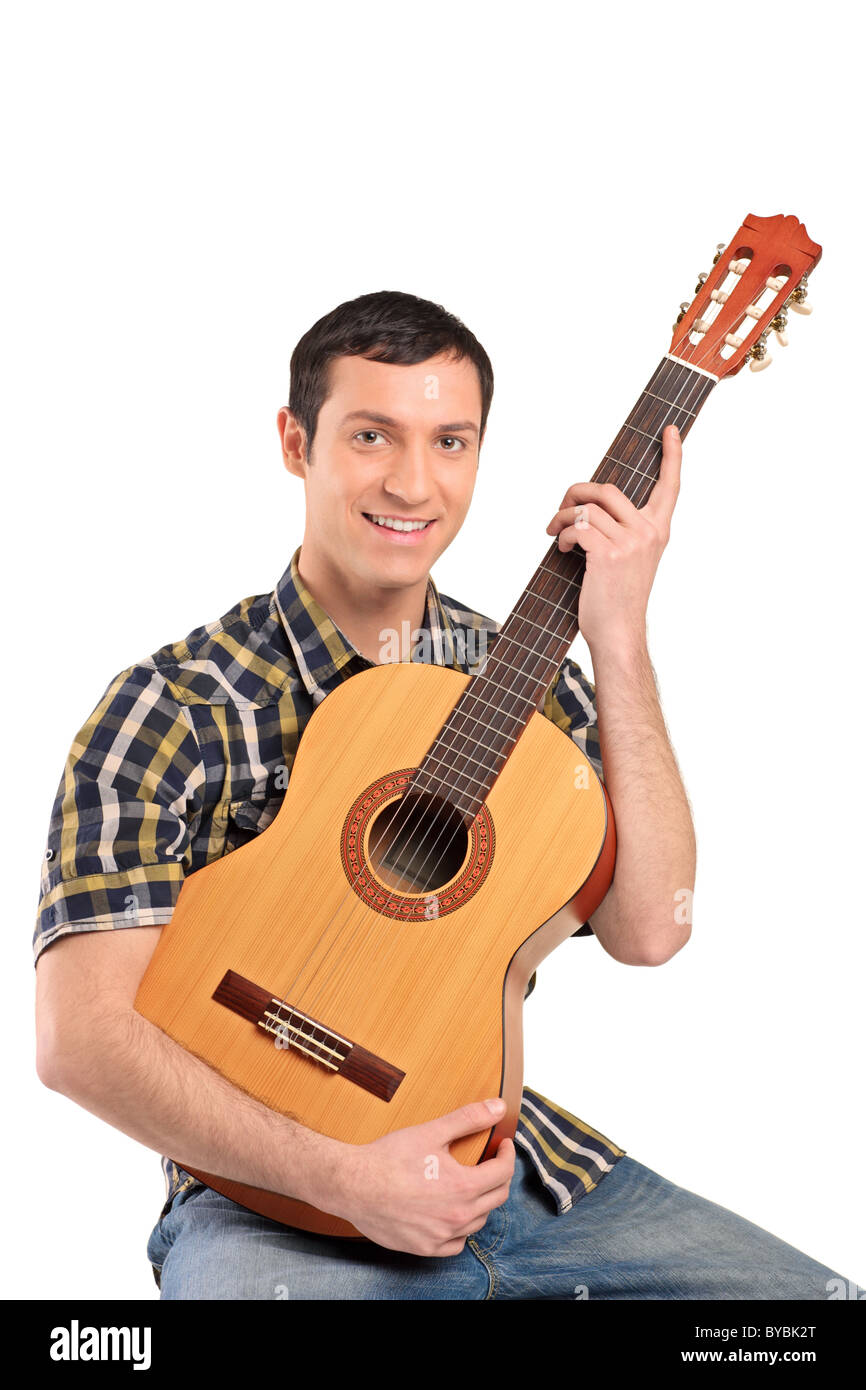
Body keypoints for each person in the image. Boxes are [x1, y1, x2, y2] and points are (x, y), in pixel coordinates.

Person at [34, 290, 852, 1300]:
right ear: (296, 442)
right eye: (372, 435)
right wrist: (345, 1177)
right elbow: (80, 1041)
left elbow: (652, 929)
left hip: (518, 1171)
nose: (413, 482)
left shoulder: (535, 684)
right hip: (263, 1193)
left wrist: (619, 635)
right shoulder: (173, 703)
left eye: (450, 441)